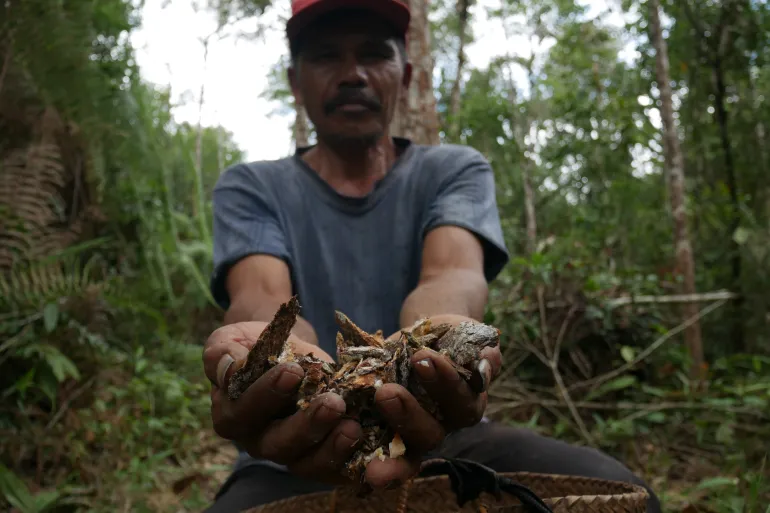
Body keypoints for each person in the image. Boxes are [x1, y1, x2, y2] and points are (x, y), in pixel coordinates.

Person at [201, 0, 662, 511]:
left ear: (407, 75)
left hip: (444, 433)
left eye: (374, 54)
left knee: (630, 498)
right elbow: (262, 299)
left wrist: (434, 344)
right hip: (295, 446)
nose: (353, 74)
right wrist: (272, 363)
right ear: (294, 80)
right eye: (327, 56)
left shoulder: (454, 170)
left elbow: (452, 276)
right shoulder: (252, 186)